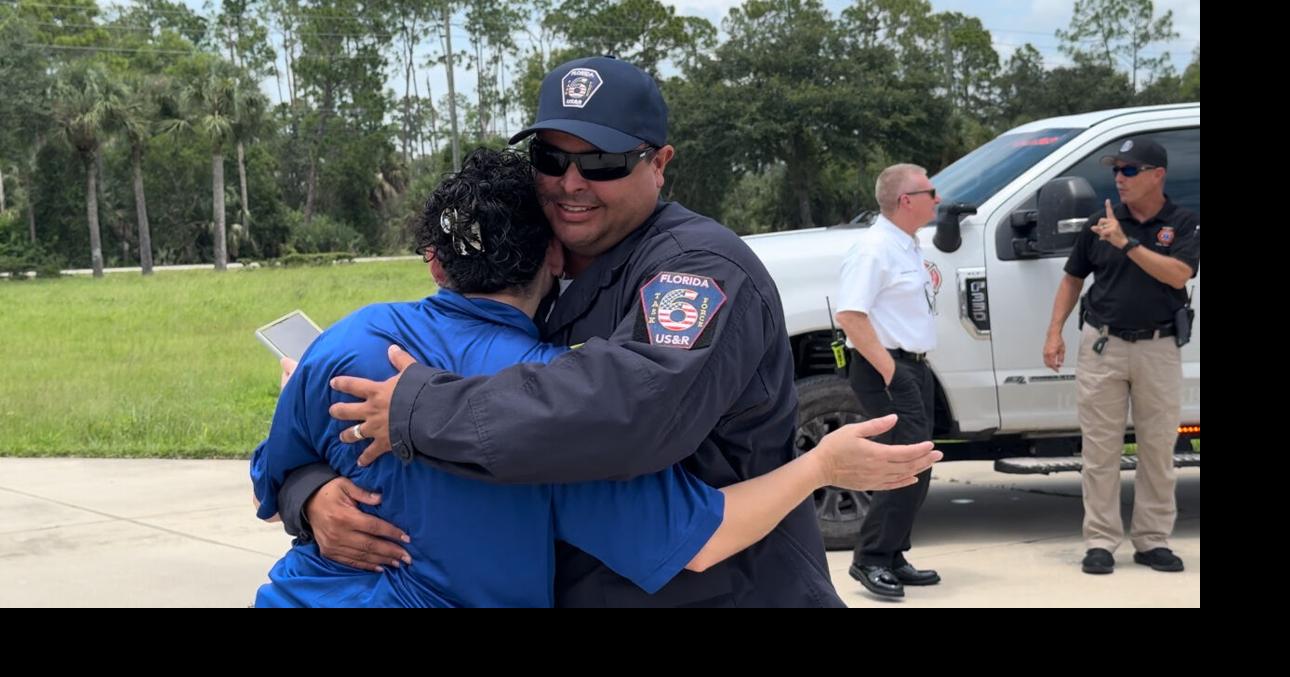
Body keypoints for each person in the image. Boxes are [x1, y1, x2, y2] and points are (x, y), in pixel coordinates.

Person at [275, 55, 943, 608]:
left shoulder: (697, 268)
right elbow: (327, 430)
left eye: (603, 162)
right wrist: (311, 495)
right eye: (550, 157)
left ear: (660, 163)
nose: (571, 183)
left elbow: (625, 411)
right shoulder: (532, 272)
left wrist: (421, 410)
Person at [1042, 136, 1199, 575]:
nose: (1119, 178)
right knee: (1100, 451)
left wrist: (1126, 242)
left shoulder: (1182, 224)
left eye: (1129, 170)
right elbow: (1072, 279)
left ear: (1157, 175)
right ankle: (1100, 542)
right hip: (1103, 346)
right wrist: (1054, 333)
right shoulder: (1101, 221)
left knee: (1158, 451)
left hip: (1159, 347)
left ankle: (1152, 541)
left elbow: (1178, 275)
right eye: (1116, 170)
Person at [833, 164, 943, 599]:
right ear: (906, 200)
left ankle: (894, 554)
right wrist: (893, 373)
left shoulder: (907, 245)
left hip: (912, 366)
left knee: (919, 463)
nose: (938, 198)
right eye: (930, 192)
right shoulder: (874, 249)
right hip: (886, 369)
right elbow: (850, 315)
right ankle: (871, 559)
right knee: (901, 464)